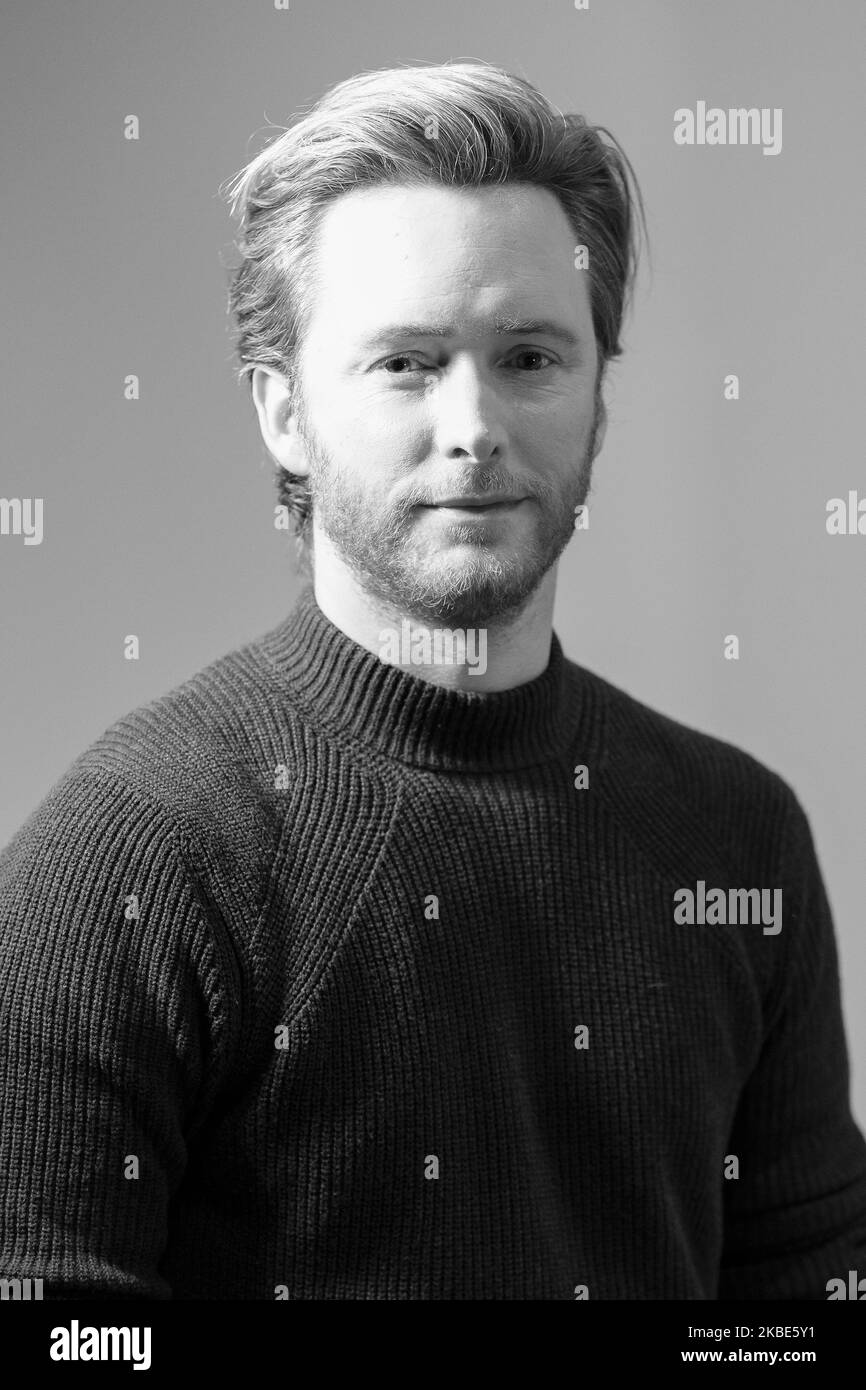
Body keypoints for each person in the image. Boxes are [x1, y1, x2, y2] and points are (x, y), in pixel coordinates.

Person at [1, 60, 865, 1301]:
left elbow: (806, 1295)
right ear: (283, 413)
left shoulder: (738, 839)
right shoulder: (129, 859)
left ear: (597, 406)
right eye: (405, 362)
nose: (473, 424)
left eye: (528, 356)